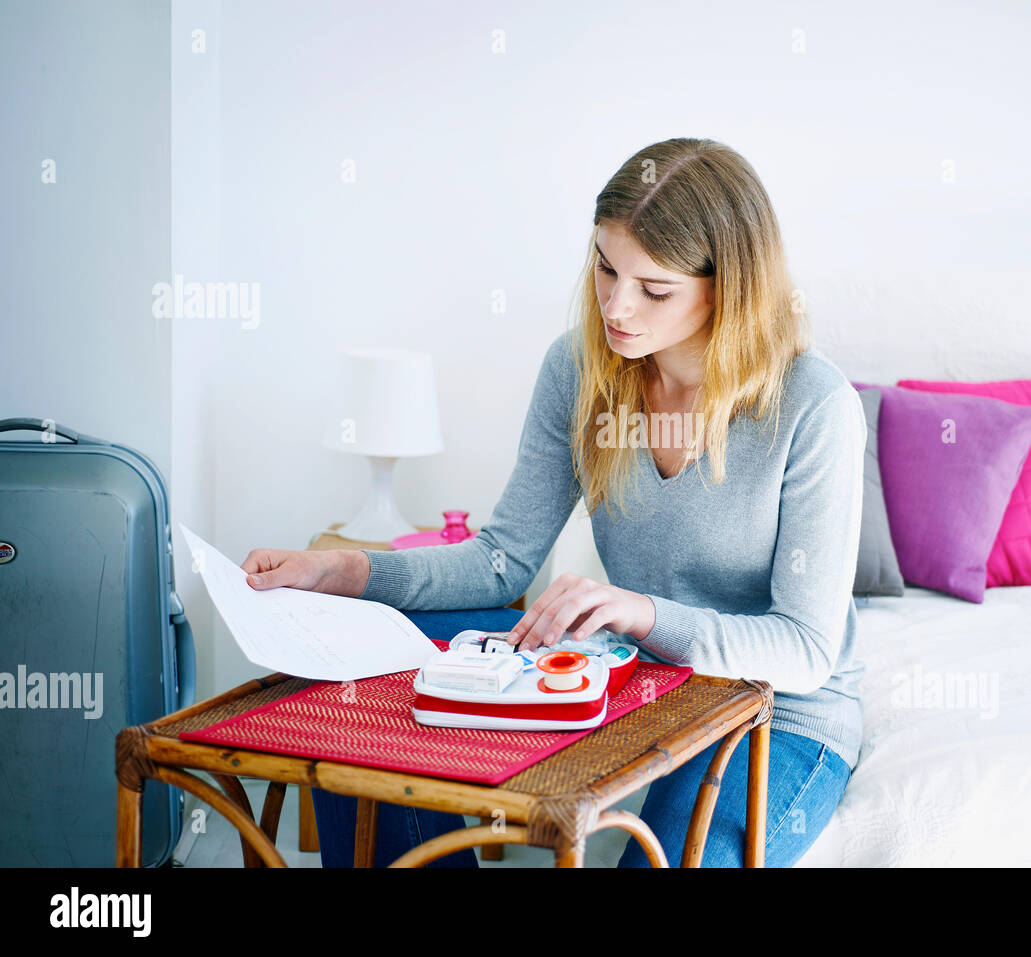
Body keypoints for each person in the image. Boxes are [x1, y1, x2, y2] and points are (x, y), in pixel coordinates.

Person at [241, 136, 867, 867]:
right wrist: (346, 570)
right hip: (635, 675)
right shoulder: (579, 369)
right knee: (361, 695)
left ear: (725, 289)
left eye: (653, 289)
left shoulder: (813, 404)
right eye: (605, 267)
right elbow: (502, 562)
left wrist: (641, 611)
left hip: (781, 710)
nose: (616, 304)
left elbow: (806, 646)